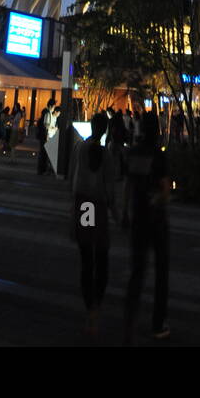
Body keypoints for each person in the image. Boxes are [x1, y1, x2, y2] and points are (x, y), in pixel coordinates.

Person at [123, 109, 171, 343]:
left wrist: (124, 212)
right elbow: (164, 189)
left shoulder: (133, 153)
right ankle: (157, 323)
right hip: (157, 220)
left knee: (136, 272)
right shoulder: (158, 156)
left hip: (137, 218)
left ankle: (129, 322)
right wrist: (160, 200)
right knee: (161, 272)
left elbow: (128, 186)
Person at [69, 111, 117, 336]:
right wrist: (117, 214)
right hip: (98, 206)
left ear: (91, 126)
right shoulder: (106, 154)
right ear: (105, 129)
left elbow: (72, 179)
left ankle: (90, 309)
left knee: (86, 258)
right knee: (102, 259)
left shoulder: (80, 148)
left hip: (83, 205)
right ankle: (96, 306)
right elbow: (110, 188)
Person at [36, 97, 56, 175]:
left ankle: (42, 170)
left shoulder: (47, 112)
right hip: (45, 136)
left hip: (44, 136)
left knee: (43, 153)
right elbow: (46, 125)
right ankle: (42, 170)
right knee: (43, 153)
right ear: (51, 106)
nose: (54, 108)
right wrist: (50, 130)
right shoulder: (48, 113)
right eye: (54, 106)